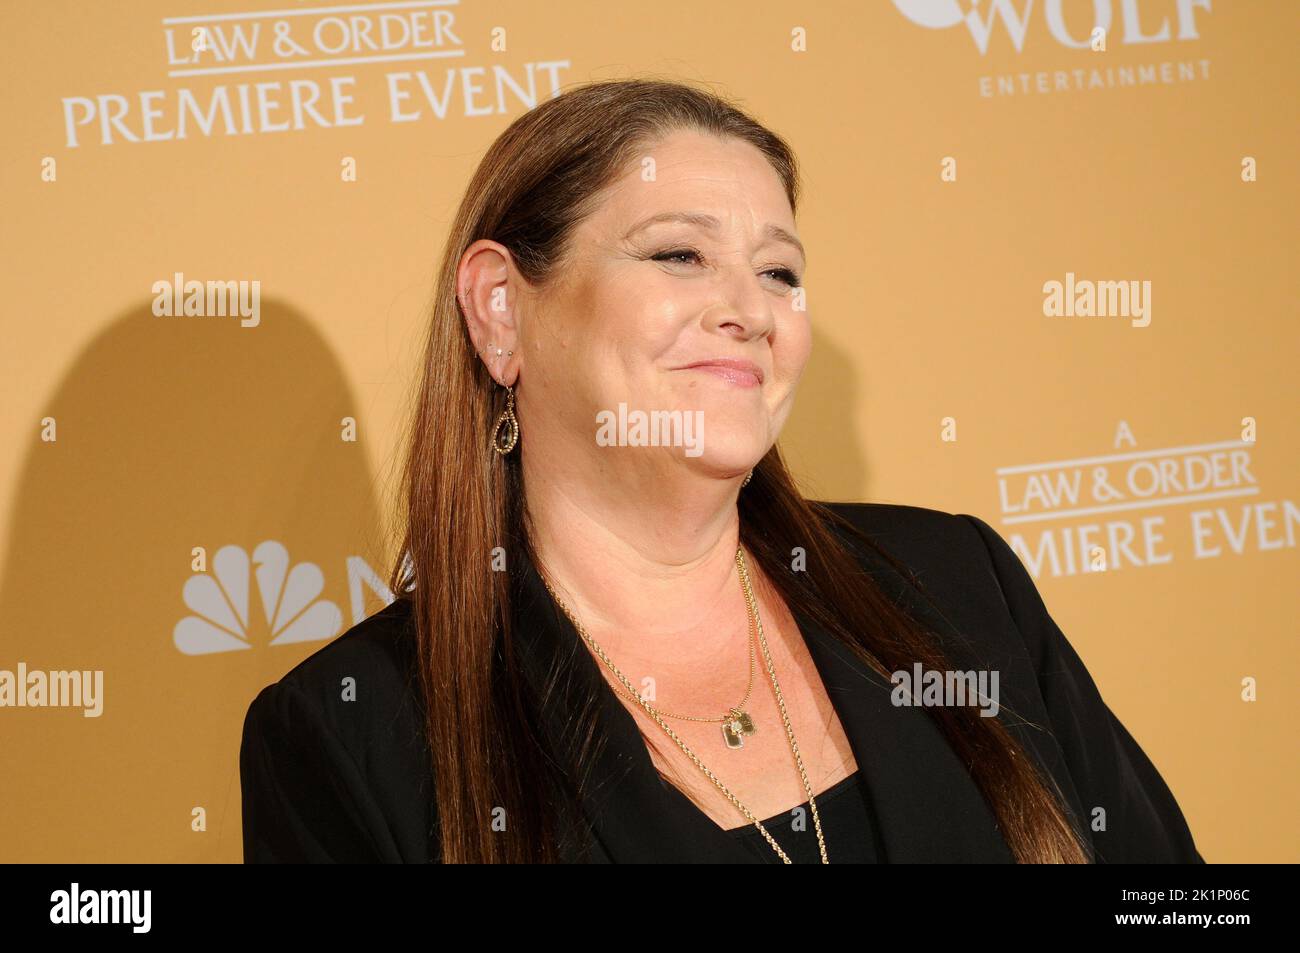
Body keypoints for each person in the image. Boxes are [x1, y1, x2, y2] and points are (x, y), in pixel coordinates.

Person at [239, 78, 1204, 864]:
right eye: (680, 254)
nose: (749, 307)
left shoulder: (957, 582)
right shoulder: (353, 732)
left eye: (779, 270)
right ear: (500, 308)